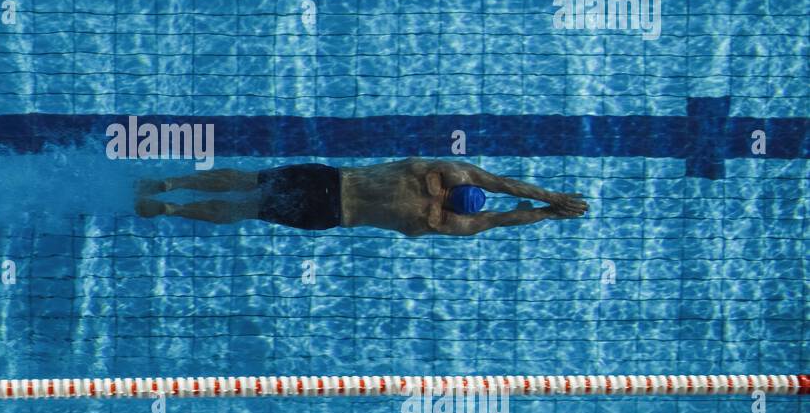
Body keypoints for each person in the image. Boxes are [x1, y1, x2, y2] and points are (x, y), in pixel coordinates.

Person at [134, 159, 588, 236]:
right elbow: (504, 217)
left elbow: (505, 185)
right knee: (248, 210)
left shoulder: (436, 171)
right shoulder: (445, 224)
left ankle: (170, 185)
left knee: (249, 181)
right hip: (332, 213)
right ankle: (172, 208)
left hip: (332, 179)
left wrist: (552, 195)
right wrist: (548, 213)